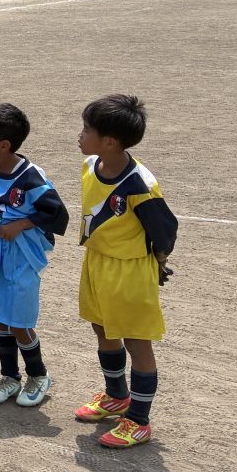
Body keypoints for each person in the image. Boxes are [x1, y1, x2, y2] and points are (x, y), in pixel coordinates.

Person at [75, 94, 178, 449]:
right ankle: (116, 395)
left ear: (111, 141)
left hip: (129, 271)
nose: (80, 135)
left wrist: (159, 263)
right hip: (97, 262)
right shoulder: (91, 165)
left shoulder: (140, 185)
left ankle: (138, 420)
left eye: (86, 129)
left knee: (137, 342)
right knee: (102, 327)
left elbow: (165, 230)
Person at [0, 103, 69, 408]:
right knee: (1, 314)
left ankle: (38, 374)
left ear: (4, 145)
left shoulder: (30, 177)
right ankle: (9, 377)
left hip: (22, 254)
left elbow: (59, 216)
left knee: (19, 318)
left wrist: (22, 224)